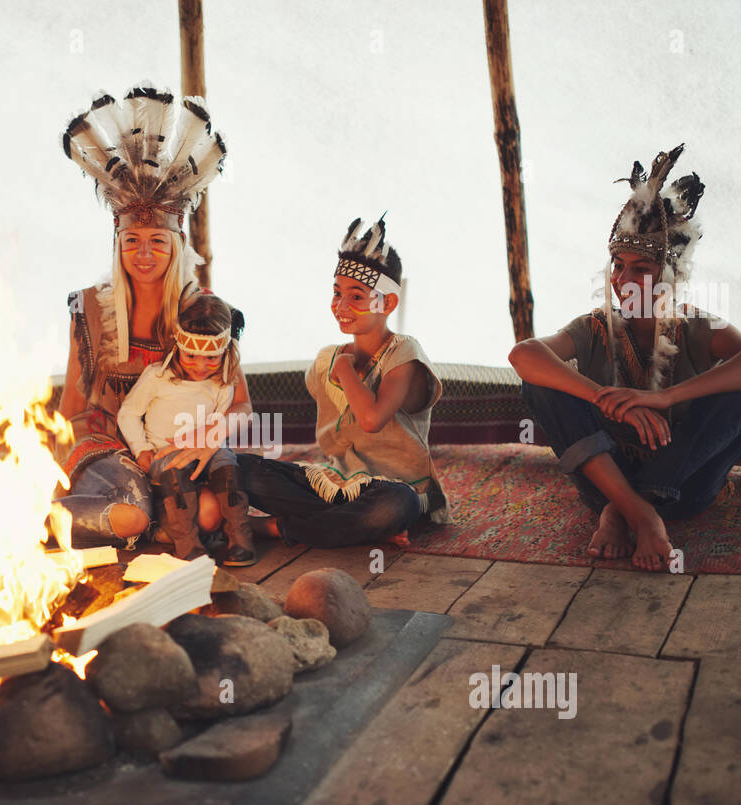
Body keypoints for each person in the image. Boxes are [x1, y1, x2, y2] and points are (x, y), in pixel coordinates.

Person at [508, 144, 741, 571]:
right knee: (540, 381)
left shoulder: (694, 325)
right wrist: (602, 395)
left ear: (670, 275)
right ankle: (640, 514)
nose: (623, 280)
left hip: (687, 487)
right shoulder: (596, 327)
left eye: (641, 268)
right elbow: (523, 354)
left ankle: (623, 513)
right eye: (618, 265)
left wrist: (665, 399)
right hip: (602, 482)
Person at [54, 87, 237, 548]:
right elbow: (72, 409)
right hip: (105, 443)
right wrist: (55, 468)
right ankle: (35, 514)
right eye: (132, 241)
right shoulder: (91, 309)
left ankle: (147, 518)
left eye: (157, 241)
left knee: (211, 516)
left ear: (177, 245)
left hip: (173, 446)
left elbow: (236, 403)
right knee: (134, 516)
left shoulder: (205, 310)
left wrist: (207, 444)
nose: (144, 253)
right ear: (118, 244)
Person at [235, 216, 450, 547]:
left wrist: (347, 370)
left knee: (393, 507)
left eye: (357, 297)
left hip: (394, 487)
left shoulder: (404, 352)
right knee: (239, 467)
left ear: (388, 302)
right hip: (336, 483)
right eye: (337, 293)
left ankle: (275, 528)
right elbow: (320, 394)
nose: (341, 306)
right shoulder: (326, 358)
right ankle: (359, 526)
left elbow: (371, 420)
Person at [117, 294, 255, 564]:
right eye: (191, 355)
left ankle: (240, 538)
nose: (201, 366)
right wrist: (141, 449)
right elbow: (129, 413)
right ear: (177, 345)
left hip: (205, 449)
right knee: (174, 470)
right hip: (165, 454)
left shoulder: (223, 381)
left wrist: (214, 439)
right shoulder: (157, 376)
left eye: (212, 358)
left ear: (225, 352)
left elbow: (224, 419)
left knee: (227, 462)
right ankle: (188, 545)